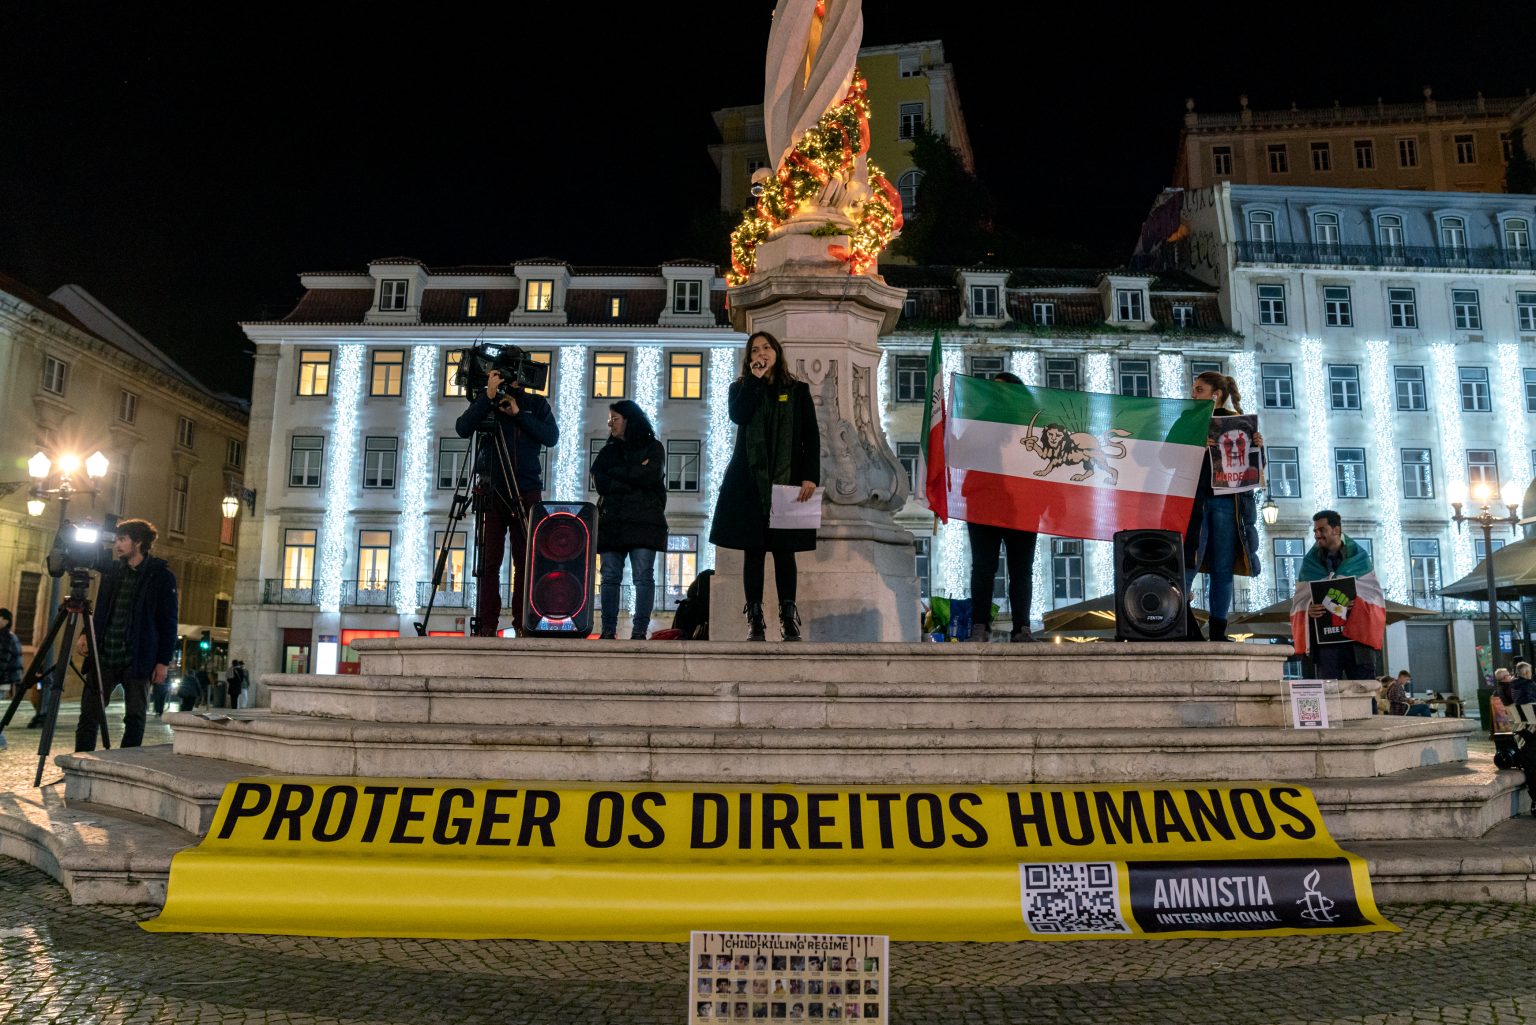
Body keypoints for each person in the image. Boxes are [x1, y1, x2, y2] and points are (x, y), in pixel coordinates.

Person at [709, 331, 820, 642]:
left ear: (776, 352)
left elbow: (810, 435)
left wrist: (811, 474)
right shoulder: (741, 388)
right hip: (749, 483)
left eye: (766, 347)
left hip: (788, 480)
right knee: (753, 550)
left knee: (785, 551)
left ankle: (788, 617)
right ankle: (755, 619)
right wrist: (755, 382)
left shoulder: (798, 391)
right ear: (749, 359)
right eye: (755, 350)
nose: (761, 353)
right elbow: (738, 415)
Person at [455, 365, 559, 637]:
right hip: (491, 488)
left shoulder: (535, 404)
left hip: (526, 488)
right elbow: (463, 428)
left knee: (525, 561)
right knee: (489, 561)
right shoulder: (486, 401)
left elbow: (551, 437)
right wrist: (487, 397)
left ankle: (522, 622)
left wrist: (519, 414)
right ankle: (487, 624)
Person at [77, 519, 178, 752]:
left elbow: (168, 621)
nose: (117, 545)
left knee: (134, 717)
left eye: (122, 539)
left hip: (138, 657)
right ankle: (80, 763)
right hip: (104, 654)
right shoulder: (113, 572)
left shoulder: (160, 576)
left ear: (138, 542)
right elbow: (100, 609)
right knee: (89, 715)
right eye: (117, 539)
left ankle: (125, 765)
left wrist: (163, 661)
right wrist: (85, 633)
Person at [1183, 371, 1261, 642]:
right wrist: (1193, 444)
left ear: (1215, 395)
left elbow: (1256, 469)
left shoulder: (1237, 421)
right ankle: (1180, 620)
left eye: (1199, 389)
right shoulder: (1188, 419)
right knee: (1189, 560)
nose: (1193, 394)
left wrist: (1259, 449)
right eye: (1194, 389)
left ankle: (1218, 630)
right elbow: (1166, 456)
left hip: (1229, 501)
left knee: (1222, 566)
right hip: (1199, 500)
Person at [965, 372, 1039, 643]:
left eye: (1003, 390)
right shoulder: (981, 421)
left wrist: (1053, 503)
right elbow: (963, 448)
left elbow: (1047, 464)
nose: (996, 395)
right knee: (983, 567)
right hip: (984, 501)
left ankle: (1022, 627)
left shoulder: (1033, 424)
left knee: (1022, 569)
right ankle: (979, 625)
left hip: (1022, 503)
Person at [590, 399, 667, 639]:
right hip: (613, 521)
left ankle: (639, 631)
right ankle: (608, 630)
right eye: (610, 419)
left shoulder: (652, 447)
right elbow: (600, 481)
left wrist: (617, 473)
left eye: (615, 418)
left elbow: (651, 475)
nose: (610, 423)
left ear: (629, 420)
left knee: (642, 576)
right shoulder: (608, 451)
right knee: (610, 576)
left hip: (643, 521)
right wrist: (636, 472)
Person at [1295, 510, 1381, 681]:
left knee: (1362, 693)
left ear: (1336, 530)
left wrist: (1359, 603)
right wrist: (1308, 609)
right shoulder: (1310, 563)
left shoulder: (1359, 558)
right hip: (1327, 645)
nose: (1317, 535)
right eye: (1315, 531)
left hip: (1358, 643)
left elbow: (1374, 595)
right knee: (1329, 696)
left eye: (1321, 530)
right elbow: (1300, 599)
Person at [0, 608, 22, 703]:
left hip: (2, 681)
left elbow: (3, 660)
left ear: (6, 621)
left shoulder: (6, 637)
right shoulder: (8, 635)